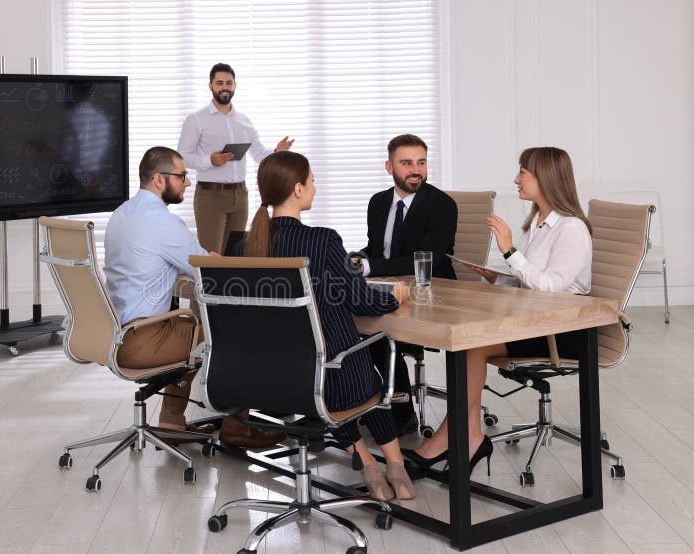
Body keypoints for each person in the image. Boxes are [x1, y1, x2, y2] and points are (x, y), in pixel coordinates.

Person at [235, 151, 416, 501]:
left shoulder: (246, 248)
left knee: (333, 378)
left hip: (274, 380)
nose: (315, 188)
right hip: (332, 377)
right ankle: (395, 466)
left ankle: (368, 464)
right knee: (364, 379)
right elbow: (362, 301)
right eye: (313, 181)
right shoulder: (322, 240)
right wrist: (396, 296)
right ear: (298, 189)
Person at [404, 146, 593, 475]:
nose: (516, 179)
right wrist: (499, 277)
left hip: (564, 330)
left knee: (475, 346)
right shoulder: (536, 223)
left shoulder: (572, 229)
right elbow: (529, 284)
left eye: (523, 172)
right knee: (470, 345)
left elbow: (551, 288)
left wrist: (509, 251)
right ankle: (471, 438)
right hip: (534, 322)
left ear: (545, 178)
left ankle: (448, 440)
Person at [104, 146, 284, 449]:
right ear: (159, 180)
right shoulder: (163, 223)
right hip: (143, 340)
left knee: (195, 327)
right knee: (235, 334)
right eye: (182, 176)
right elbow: (209, 269)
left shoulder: (121, 214)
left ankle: (172, 423)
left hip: (114, 334)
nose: (188, 182)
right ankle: (237, 429)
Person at [356, 134, 458, 435]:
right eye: (407, 163)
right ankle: (365, 403)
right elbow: (378, 250)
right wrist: (358, 259)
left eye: (421, 162)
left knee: (377, 334)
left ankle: (401, 415)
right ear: (390, 167)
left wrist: (371, 267)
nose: (416, 170)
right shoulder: (378, 203)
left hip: (431, 293)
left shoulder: (442, 205)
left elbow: (425, 258)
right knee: (350, 326)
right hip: (386, 288)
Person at [177, 62, 294, 254]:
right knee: (211, 256)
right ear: (210, 85)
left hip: (240, 196)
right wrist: (210, 161)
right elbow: (183, 156)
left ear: (235, 85)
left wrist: (276, 151)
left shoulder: (244, 121)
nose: (224, 87)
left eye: (229, 83)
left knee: (235, 254)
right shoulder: (196, 119)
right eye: (219, 83)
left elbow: (258, 153)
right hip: (210, 196)